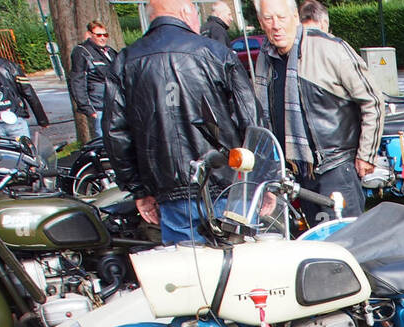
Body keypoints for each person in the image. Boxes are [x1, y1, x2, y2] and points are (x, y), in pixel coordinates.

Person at [105, 0, 261, 244]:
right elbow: (250, 119)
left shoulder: (126, 61)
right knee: (239, 267)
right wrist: (260, 177)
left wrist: (139, 189)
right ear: (187, 11)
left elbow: (116, 133)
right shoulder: (216, 53)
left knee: (188, 271)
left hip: (169, 188)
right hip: (225, 182)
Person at [253, 0, 384, 224]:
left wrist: (366, 154)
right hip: (298, 170)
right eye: (268, 19)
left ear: (295, 16)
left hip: (336, 164)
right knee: (316, 242)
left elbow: (372, 100)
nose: (276, 25)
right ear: (260, 22)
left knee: (346, 242)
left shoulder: (328, 48)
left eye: (281, 17)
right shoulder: (266, 58)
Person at [0, 33, 40, 143]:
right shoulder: (10, 65)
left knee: (0, 156)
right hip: (14, 116)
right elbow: (28, 92)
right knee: (25, 154)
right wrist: (42, 119)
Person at [68, 20, 118, 140]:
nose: (102, 38)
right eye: (98, 35)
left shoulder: (110, 52)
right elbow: (77, 81)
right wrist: (88, 108)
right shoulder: (82, 52)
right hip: (99, 106)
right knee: (103, 142)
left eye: (105, 35)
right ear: (90, 34)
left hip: (115, 105)